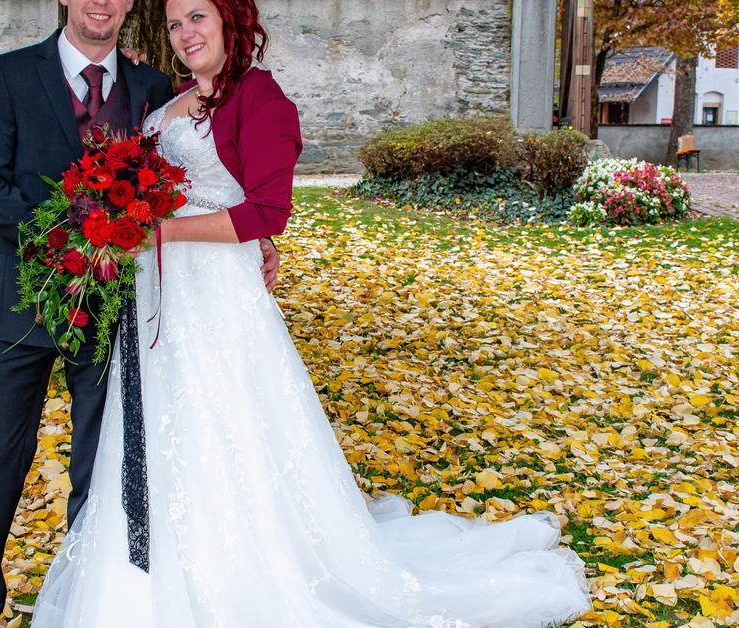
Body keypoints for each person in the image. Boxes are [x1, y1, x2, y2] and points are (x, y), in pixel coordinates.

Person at [33, 0, 592, 625]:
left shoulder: (262, 99)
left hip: (216, 295)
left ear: (230, 22)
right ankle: (144, 569)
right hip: (157, 294)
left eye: (198, 18)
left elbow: (266, 213)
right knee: (154, 425)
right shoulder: (168, 100)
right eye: (173, 24)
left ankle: (237, 571)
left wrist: (163, 234)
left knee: (225, 422)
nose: (185, 34)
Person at [0, 0, 281, 625]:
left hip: (117, 311)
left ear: (128, 4)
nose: (100, 2)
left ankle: (88, 600)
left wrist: (257, 236)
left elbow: (199, 176)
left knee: (100, 465)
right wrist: (71, 235)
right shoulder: (6, 74)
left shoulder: (153, 85)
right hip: (20, 305)